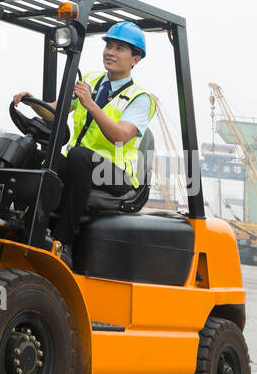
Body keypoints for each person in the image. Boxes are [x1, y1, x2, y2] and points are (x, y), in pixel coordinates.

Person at [12, 21, 156, 266]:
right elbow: (55, 112)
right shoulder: (90, 81)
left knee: (79, 156)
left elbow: (120, 136)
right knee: (40, 156)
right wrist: (32, 101)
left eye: (120, 48)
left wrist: (91, 104)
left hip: (117, 177)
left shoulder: (140, 98)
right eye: (109, 45)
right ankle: (23, 222)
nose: (110, 52)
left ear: (135, 59)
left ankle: (64, 240)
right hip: (83, 165)